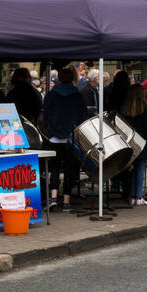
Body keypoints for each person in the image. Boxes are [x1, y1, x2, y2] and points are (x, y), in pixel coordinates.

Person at [43, 64, 88, 211]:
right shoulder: (77, 95)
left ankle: (54, 198)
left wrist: (50, 130)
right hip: (71, 137)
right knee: (69, 169)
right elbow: (84, 117)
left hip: (54, 137)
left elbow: (45, 115)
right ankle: (67, 201)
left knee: (55, 168)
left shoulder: (51, 94)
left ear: (59, 79)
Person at [119, 82, 147, 204]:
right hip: (143, 144)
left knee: (131, 170)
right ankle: (138, 197)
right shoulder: (145, 110)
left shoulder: (124, 109)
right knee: (140, 169)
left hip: (129, 143)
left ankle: (132, 196)